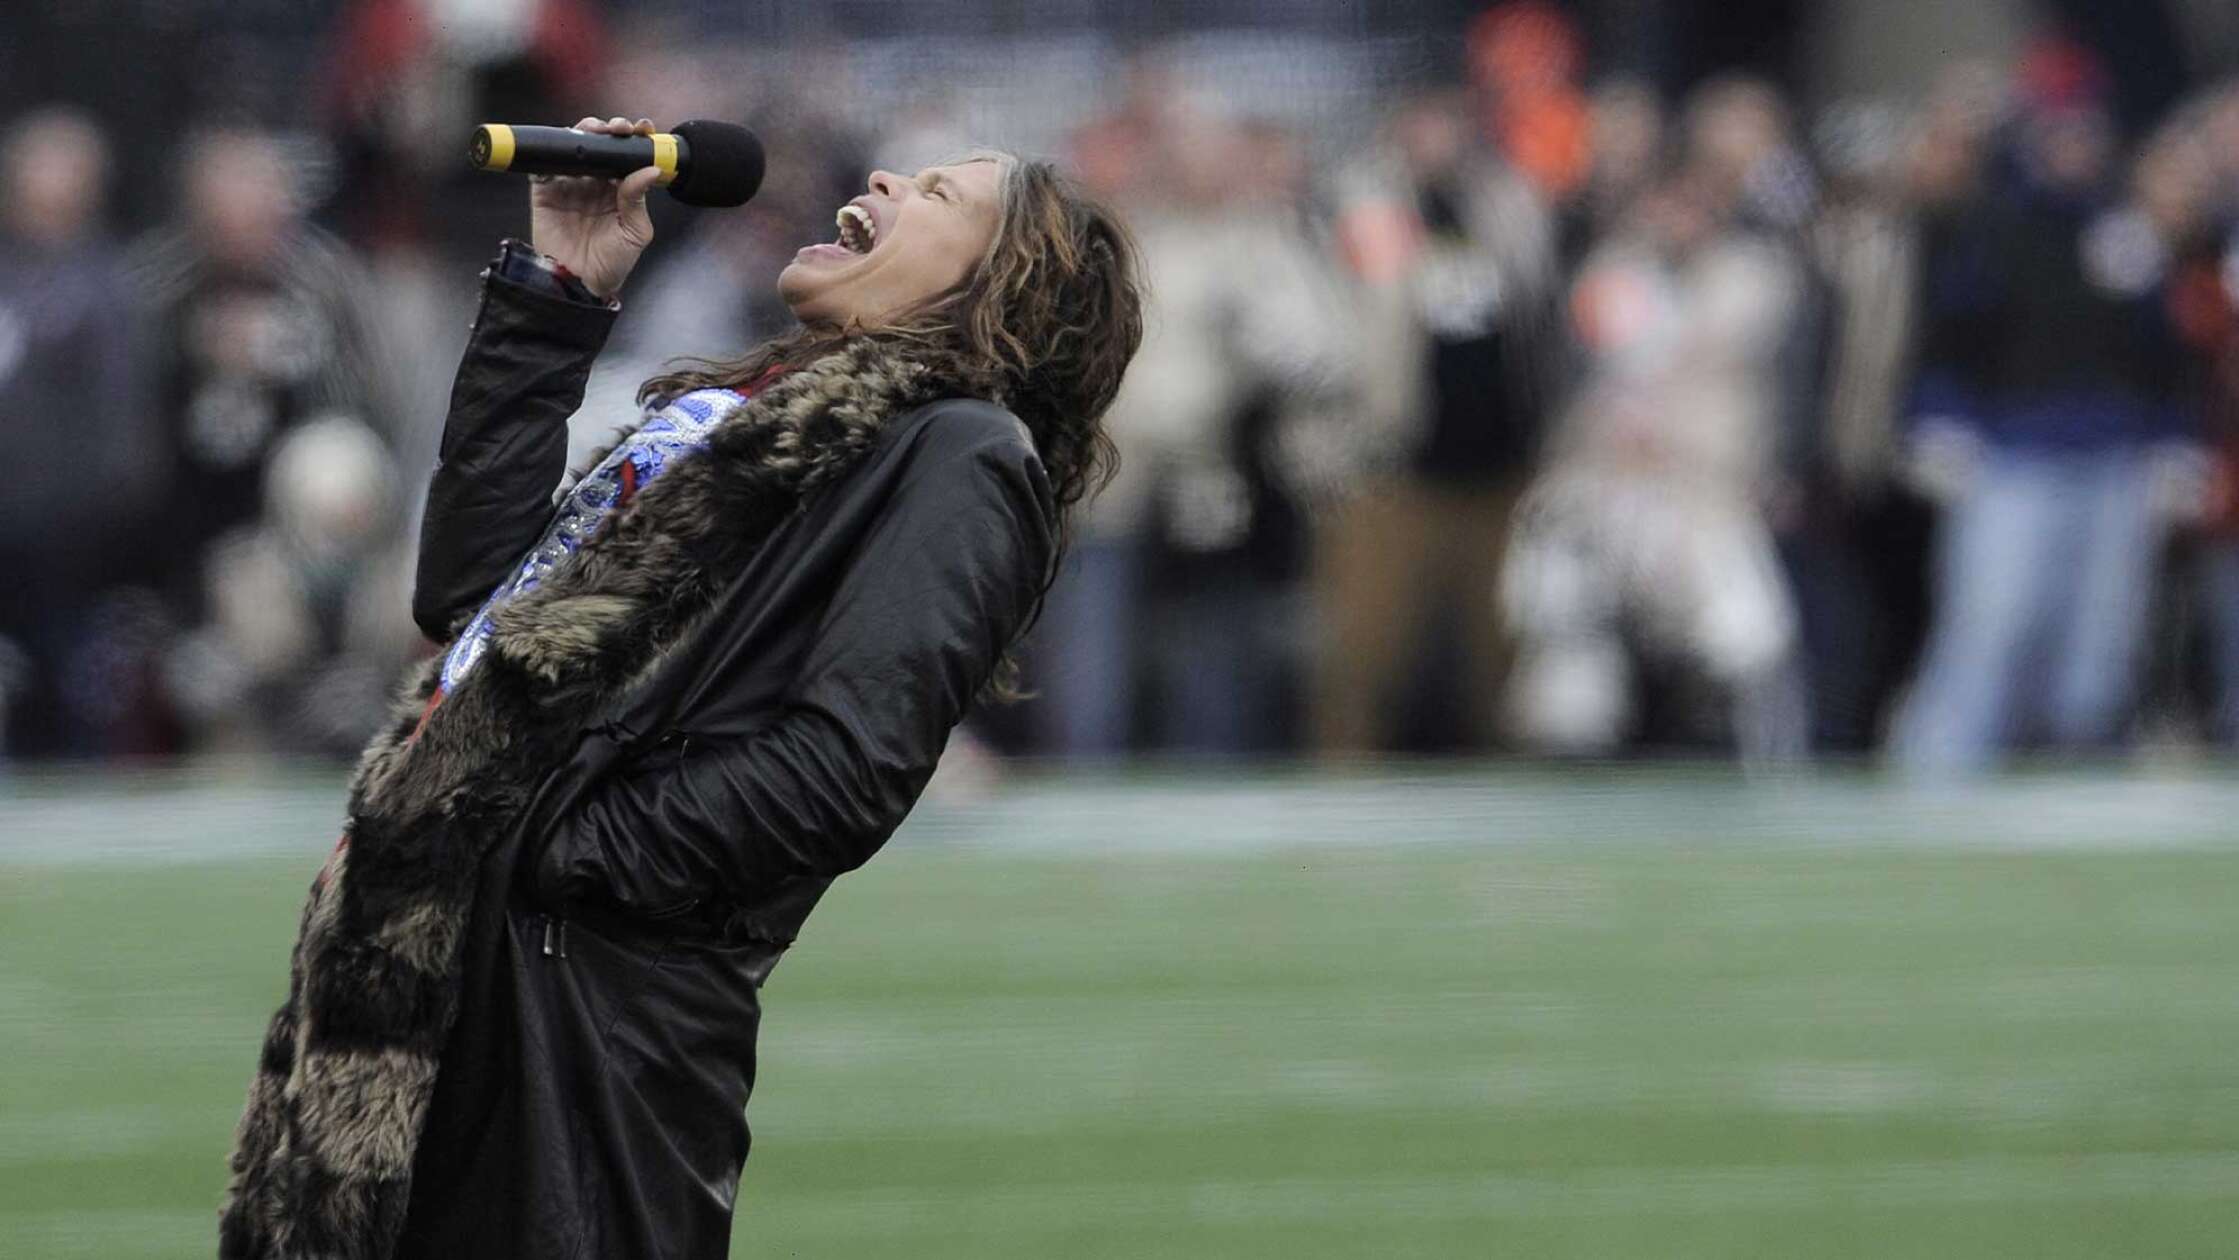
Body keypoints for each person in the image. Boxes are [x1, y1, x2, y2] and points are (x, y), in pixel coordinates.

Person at [220, 116, 1143, 1259]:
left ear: (1003, 290)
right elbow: (468, 597)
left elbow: (843, 769)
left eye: (942, 194)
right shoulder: (752, 408)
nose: (885, 179)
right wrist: (559, 295)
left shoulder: (960, 452)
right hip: (431, 962)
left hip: (583, 1014)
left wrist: (560, 853)